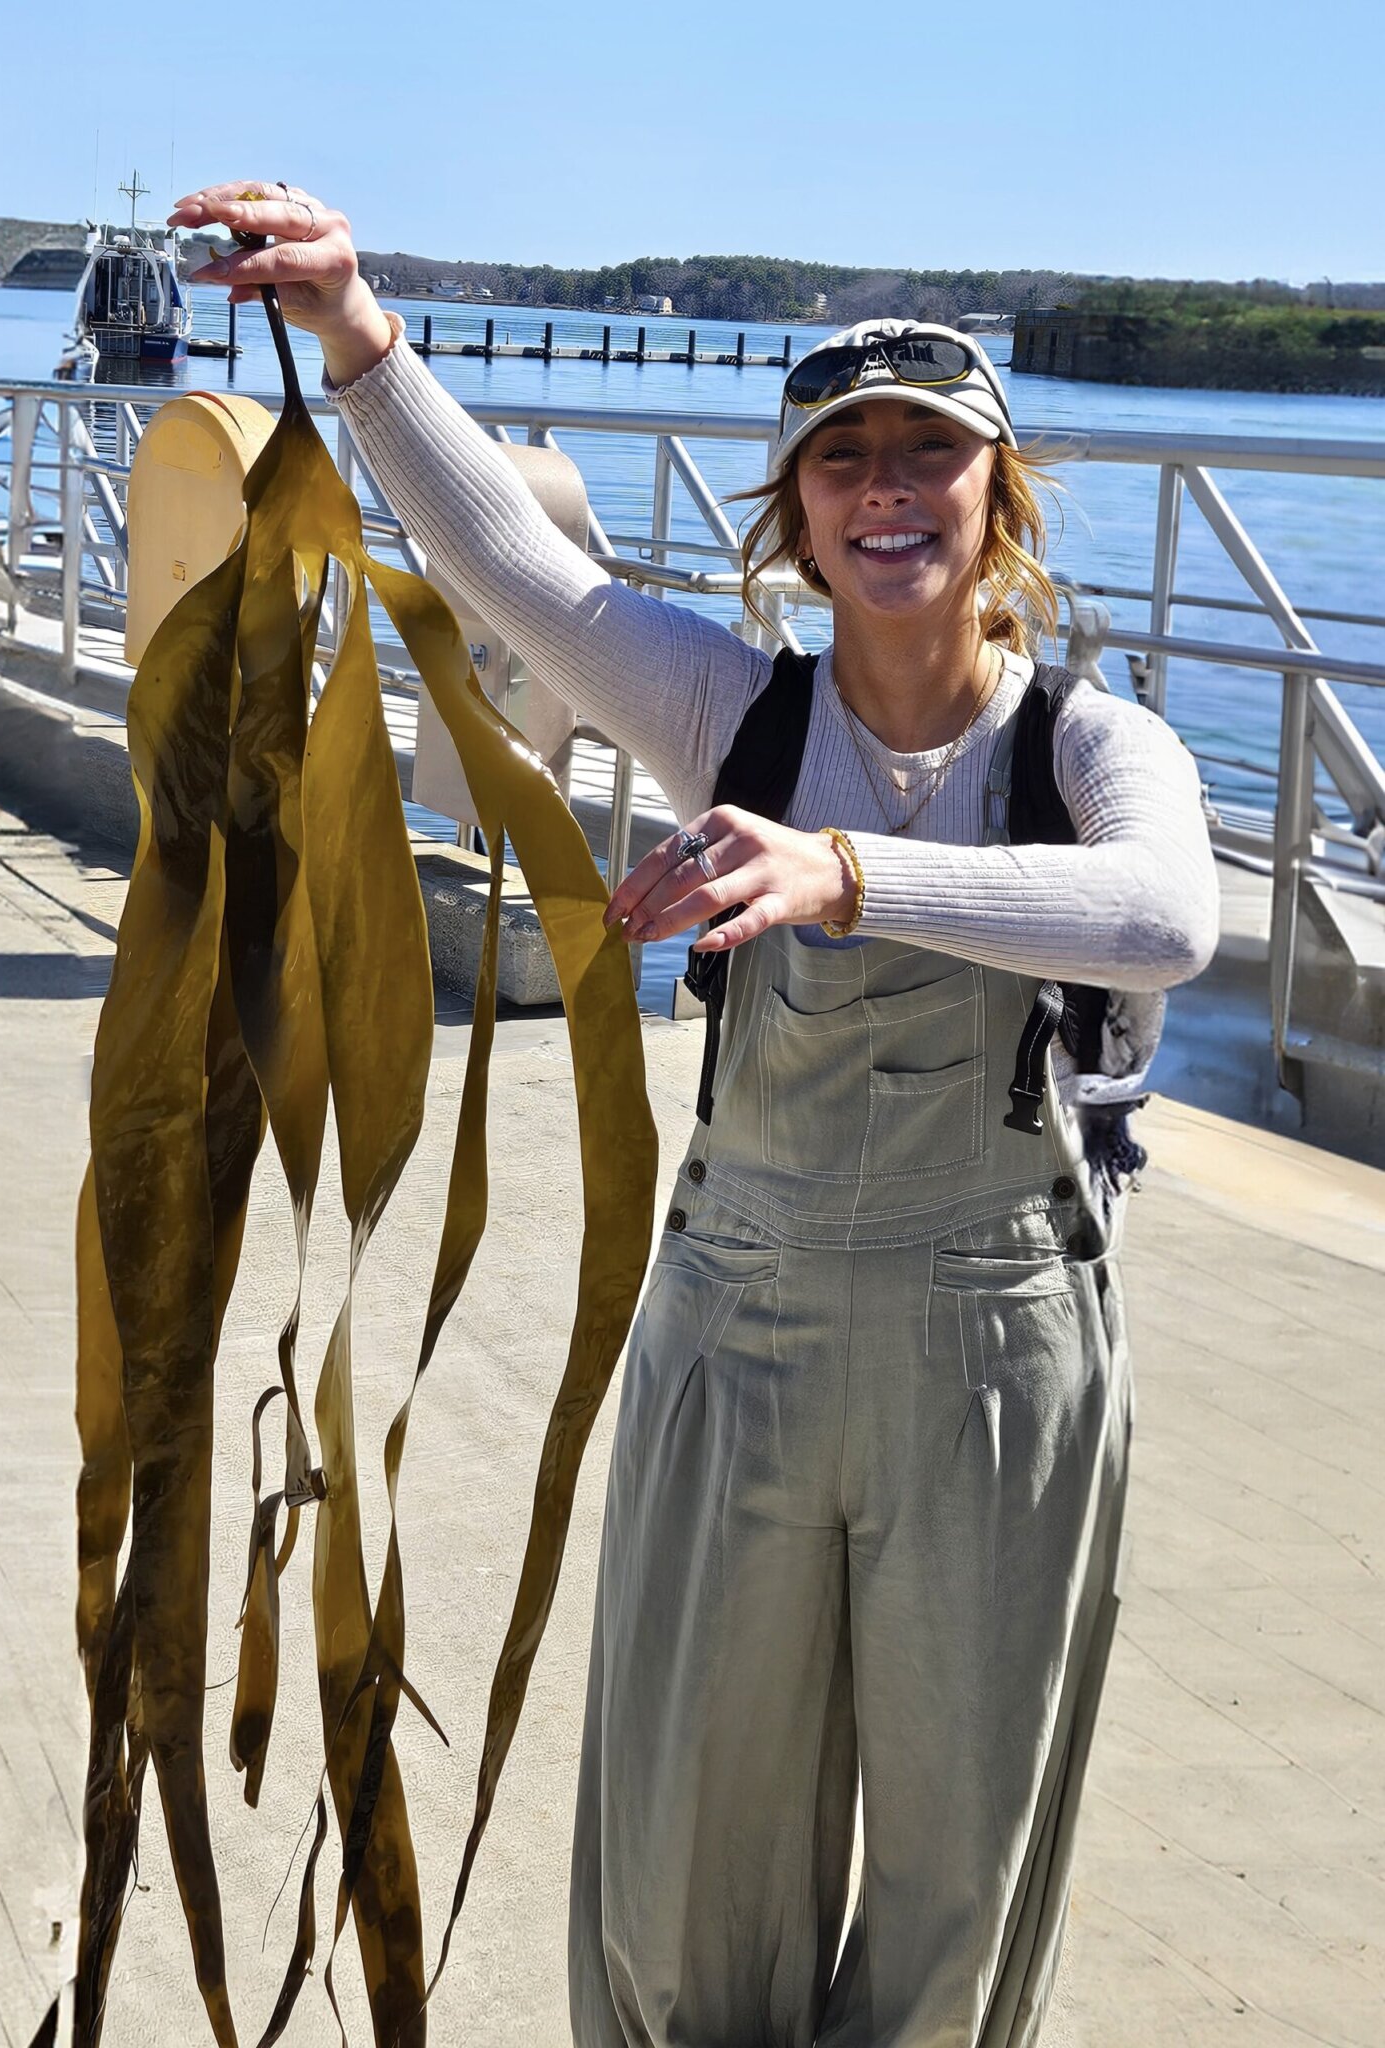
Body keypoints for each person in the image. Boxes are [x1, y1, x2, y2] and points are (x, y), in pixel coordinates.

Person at [173, 180, 1219, 2048]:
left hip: (997, 1342)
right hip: (735, 1325)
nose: (886, 489)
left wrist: (844, 872)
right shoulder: (731, 712)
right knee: (677, 1851)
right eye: (843, 464)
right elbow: (518, 572)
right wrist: (357, 335)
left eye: (929, 455)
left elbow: (1166, 917)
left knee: (955, 1870)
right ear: (798, 517)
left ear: (997, 500)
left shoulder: (1083, 747)